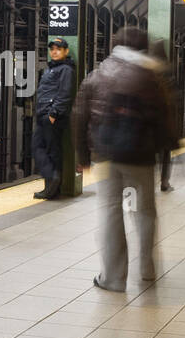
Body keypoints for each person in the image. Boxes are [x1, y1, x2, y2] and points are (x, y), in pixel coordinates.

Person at [72, 26, 170, 291]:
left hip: (105, 155)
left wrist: (82, 155)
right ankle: (147, 270)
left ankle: (113, 279)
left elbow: (80, 115)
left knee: (110, 211)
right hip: (141, 156)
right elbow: (163, 118)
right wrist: (167, 157)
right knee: (145, 212)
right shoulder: (149, 77)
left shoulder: (99, 72)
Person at [32, 36, 75, 199]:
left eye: (58, 49)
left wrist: (53, 114)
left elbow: (65, 94)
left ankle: (52, 184)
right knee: (39, 148)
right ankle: (52, 183)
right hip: (44, 114)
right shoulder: (51, 69)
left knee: (51, 150)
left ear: (66, 51)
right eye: (52, 49)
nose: (54, 52)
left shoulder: (66, 69)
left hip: (52, 116)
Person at [150, 39, 182, 190]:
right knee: (165, 154)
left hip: (149, 122)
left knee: (150, 153)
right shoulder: (168, 72)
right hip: (164, 121)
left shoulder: (145, 71)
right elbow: (175, 98)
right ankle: (164, 182)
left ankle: (149, 181)